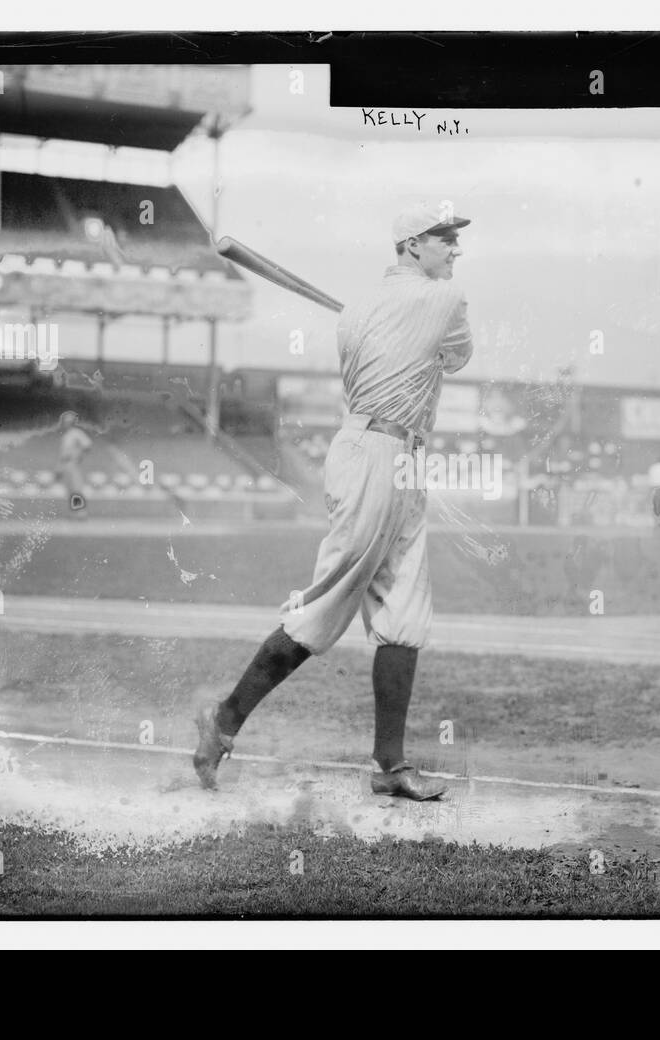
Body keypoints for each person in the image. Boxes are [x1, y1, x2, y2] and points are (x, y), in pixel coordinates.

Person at [193, 201, 474, 800]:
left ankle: (389, 766)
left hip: (392, 454)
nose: (455, 248)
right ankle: (223, 720)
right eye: (444, 238)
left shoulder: (357, 314)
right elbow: (458, 355)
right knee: (325, 605)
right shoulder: (446, 302)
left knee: (403, 614)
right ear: (411, 245)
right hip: (376, 455)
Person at [57, 410, 93, 519]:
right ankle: (74, 513)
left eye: (67, 421)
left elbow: (87, 445)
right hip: (65, 464)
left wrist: (79, 456)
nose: (65, 423)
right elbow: (63, 454)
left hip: (73, 464)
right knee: (70, 490)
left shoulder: (76, 433)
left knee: (76, 489)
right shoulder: (66, 435)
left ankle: (81, 513)